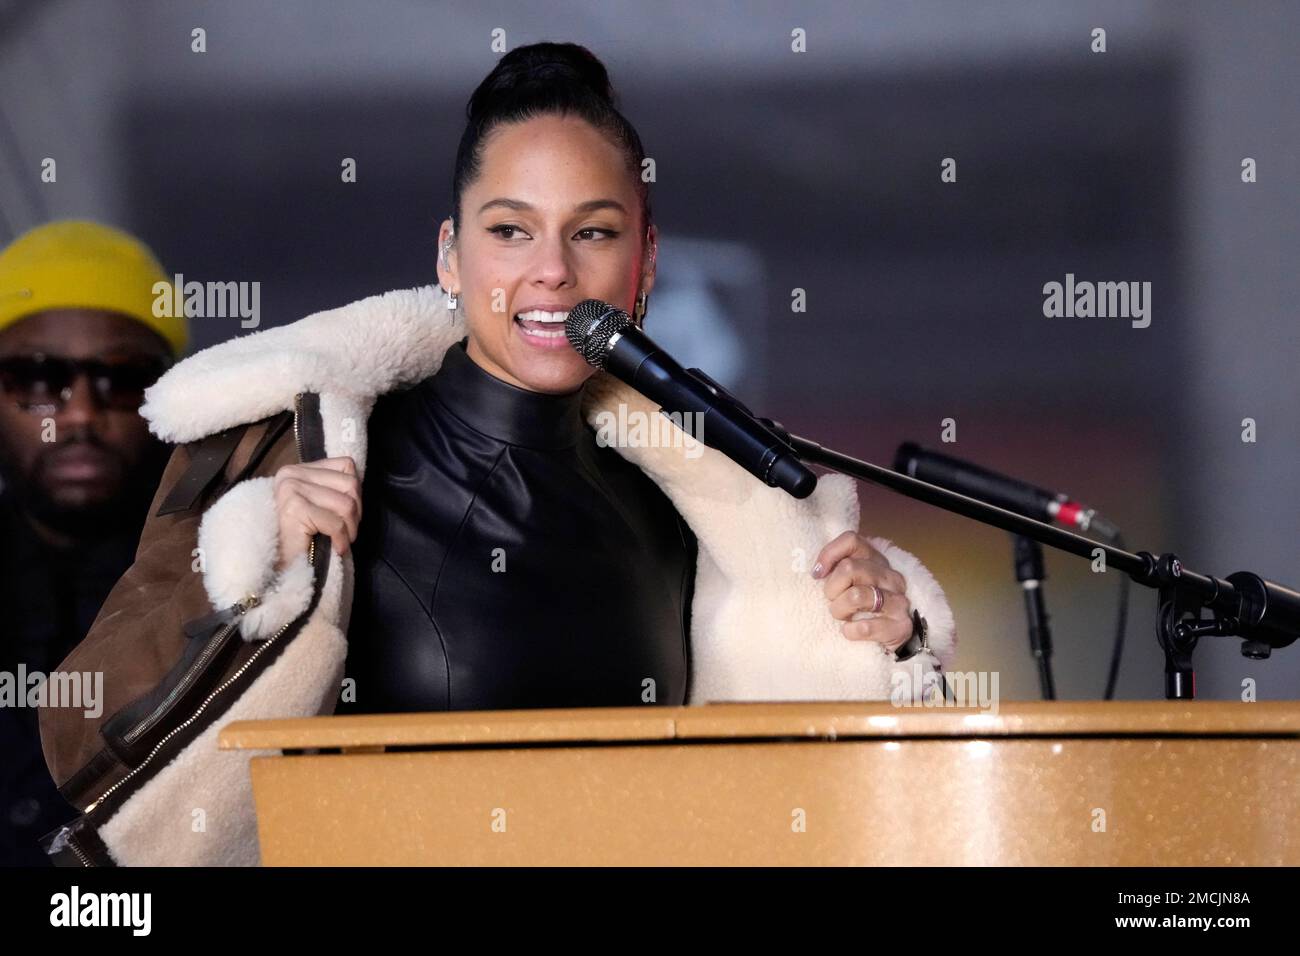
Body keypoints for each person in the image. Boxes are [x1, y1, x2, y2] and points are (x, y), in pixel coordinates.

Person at [39, 42, 956, 867]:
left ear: (644, 261)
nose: (551, 269)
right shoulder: (309, 459)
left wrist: (881, 641)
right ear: (450, 255)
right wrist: (247, 576)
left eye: (592, 231)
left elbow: (821, 803)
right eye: (510, 230)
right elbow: (81, 735)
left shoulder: (693, 501)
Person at [0, 220, 187, 866]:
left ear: (171, 395)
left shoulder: (231, 574)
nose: (79, 413)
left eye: (123, 377)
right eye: (37, 378)